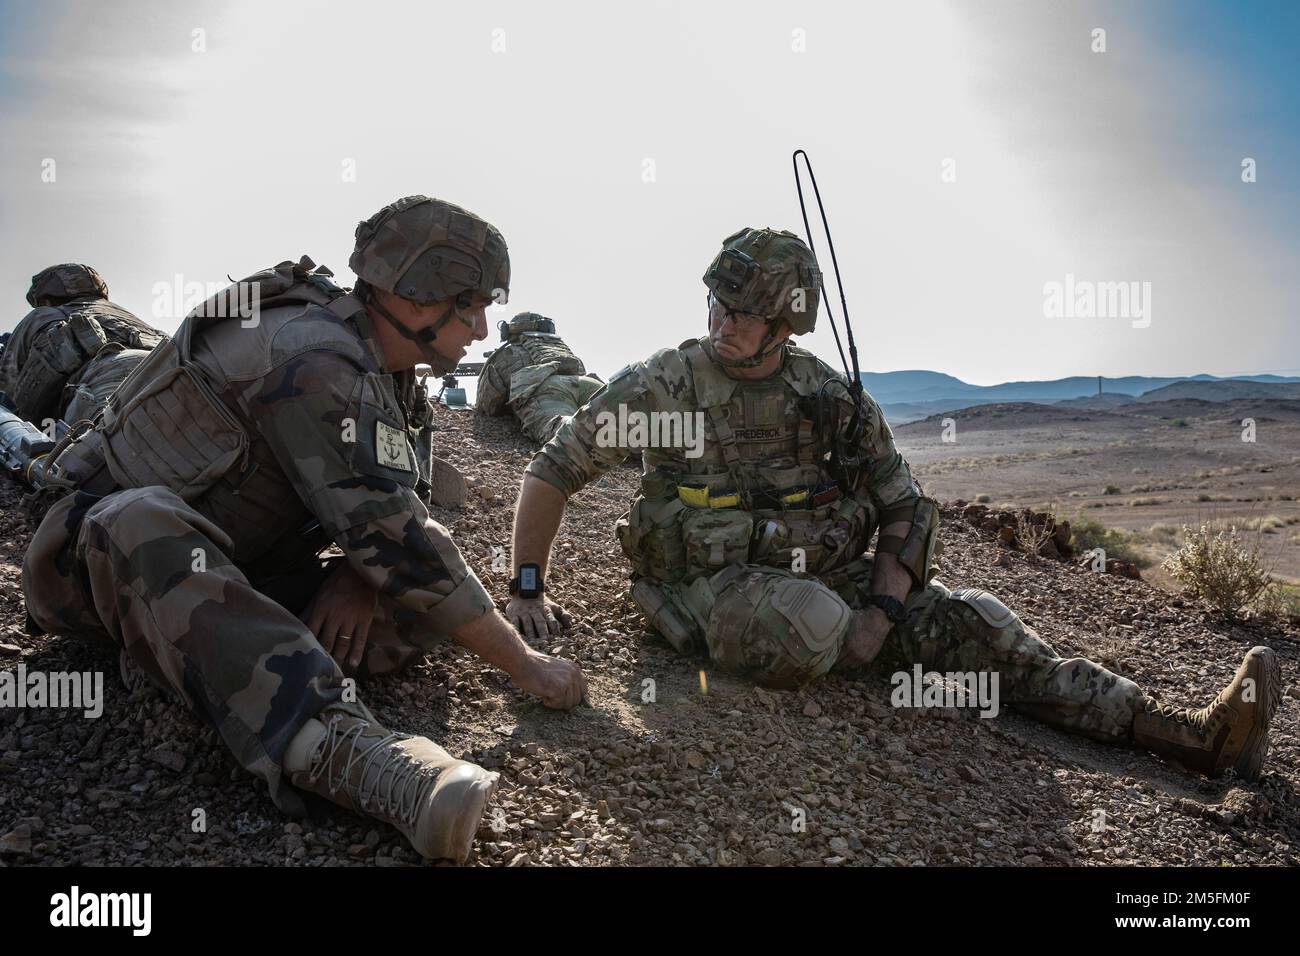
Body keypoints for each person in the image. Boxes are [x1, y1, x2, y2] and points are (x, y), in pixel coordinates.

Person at [505, 226, 1280, 782]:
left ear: (787, 322)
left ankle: (1187, 736)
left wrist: (881, 613)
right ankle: (842, 640)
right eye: (716, 304)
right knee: (811, 626)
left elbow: (905, 505)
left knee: (985, 624)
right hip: (712, 586)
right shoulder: (664, 387)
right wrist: (528, 586)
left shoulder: (828, 396)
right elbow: (555, 469)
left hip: (842, 586)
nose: (721, 322)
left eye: (742, 312)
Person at [21, 196, 587, 862]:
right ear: (420, 296)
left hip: (234, 566)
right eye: (473, 304)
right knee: (142, 516)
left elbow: (408, 505)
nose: (484, 329)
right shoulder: (310, 358)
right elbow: (406, 543)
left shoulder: (392, 378)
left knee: (426, 605)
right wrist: (529, 669)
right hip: (96, 562)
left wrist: (359, 575)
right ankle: (355, 757)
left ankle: (200, 660)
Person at [1, 263, 163, 425]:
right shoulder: (127, 316)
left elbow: (7, 389)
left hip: (102, 388)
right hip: (167, 375)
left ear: (47, 298)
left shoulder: (42, 315)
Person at [475, 311, 604, 444]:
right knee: (619, 424)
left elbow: (488, 405)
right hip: (590, 385)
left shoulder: (506, 353)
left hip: (549, 391)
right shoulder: (565, 351)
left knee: (565, 433)